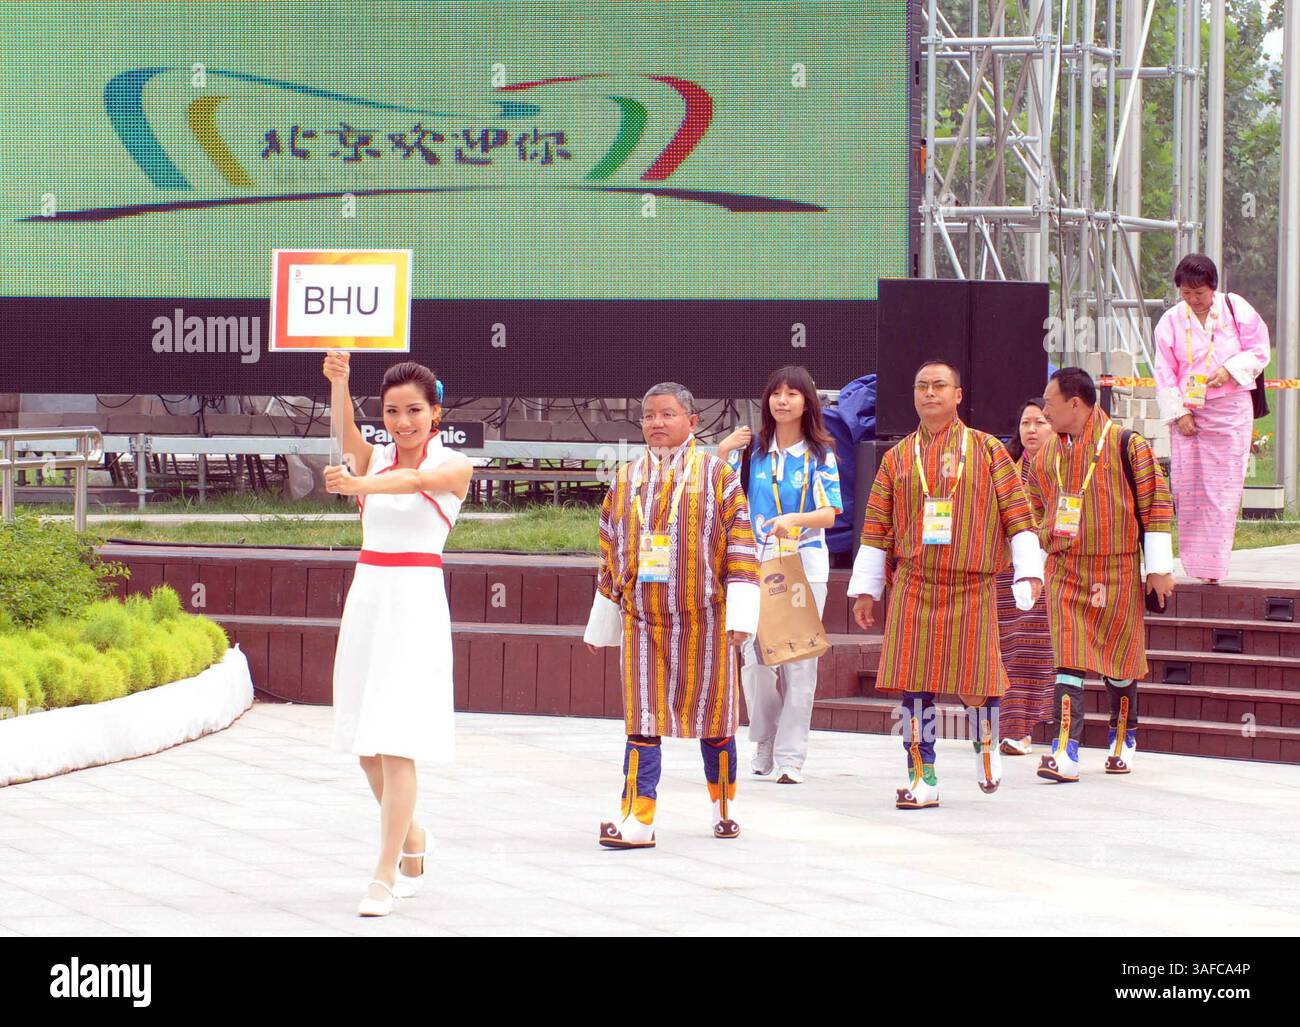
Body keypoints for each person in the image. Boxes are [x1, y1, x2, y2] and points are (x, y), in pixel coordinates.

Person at [847, 359, 1043, 809]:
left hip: (971, 585)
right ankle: (922, 776)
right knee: (914, 686)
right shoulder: (898, 458)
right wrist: (865, 589)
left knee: (979, 682)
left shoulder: (989, 450)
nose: (929, 393)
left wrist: (1029, 572)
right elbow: (876, 526)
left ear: (958, 395)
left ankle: (986, 746)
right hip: (915, 586)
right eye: (921, 386)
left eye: (939, 386)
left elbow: (1018, 515)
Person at [322, 353, 474, 916]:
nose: (402, 421)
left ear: (436, 412)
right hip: (368, 599)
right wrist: (339, 383)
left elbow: (413, 479)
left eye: (414, 410)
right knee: (366, 746)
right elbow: (346, 433)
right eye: (391, 411)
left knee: (396, 741)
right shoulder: (374, 455)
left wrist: (359, 482)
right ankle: (411, 837)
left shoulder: (455, 465)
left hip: (415, 602)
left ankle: (383, 874)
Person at [584, 383, 759, 848]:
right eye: (648, 416)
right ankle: (638, 819)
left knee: (716, 719)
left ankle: (725, 807)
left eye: (666, 414)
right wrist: (603, 619)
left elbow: (742, 543)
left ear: (692, 421)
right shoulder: (626, 478)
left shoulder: (718, 475)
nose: (656, 423)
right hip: (643, 620)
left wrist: (741, 614)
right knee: (642, 718)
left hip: (707, 619)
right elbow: (608, 548)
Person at [1024, 367, 1175, 784]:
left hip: (1117, 568)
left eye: (1049, 404)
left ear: (1076, 403)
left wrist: (1158, 570)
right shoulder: (1047, 452)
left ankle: (1123, 736)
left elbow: (1157, 505)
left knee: (1119, 662)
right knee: (1068, 660)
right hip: (1065, 568)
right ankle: (1064, 751)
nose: (1043, 412)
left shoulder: (1127, 444)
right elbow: (1031, 505)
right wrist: (1043, 535)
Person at [716, 365, 843, 784]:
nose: (783, 400)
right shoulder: (749, 453)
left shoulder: (820, 454)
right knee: (753, 658)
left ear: (807, 402)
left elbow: (829, 514)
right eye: (776, 393)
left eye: (793, 393)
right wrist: (720, 451)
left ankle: (791, 756)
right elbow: (714, 492)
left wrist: (795, 518)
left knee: (799, 661)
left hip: (802, 565)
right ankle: (764, 737)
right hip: (752, 565)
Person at [1154, 254, 1271, 583]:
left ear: (1213, 288)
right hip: (1190, 412)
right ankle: (1193, 562)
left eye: (1199, 293)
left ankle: (1214, 567)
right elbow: (1164, 372)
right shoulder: (1170, 321)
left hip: (1231, 409)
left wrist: (1229, 370)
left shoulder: (1236, 309)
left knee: (1222, 490)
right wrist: (1178, 414)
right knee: (1188, 489)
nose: (1193, 300)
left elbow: (1260, 349)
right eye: (1186, 293)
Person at [996, 398, 1057, 756]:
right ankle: (1006, 726)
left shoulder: (1069, 466)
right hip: (1006, 570)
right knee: (1005, 649)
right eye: (1025, 423)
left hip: (1049, 570)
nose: (1031, 430)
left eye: (1040, 422)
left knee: (1029, 651)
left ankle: (1020, 728)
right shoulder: (1005, 468)